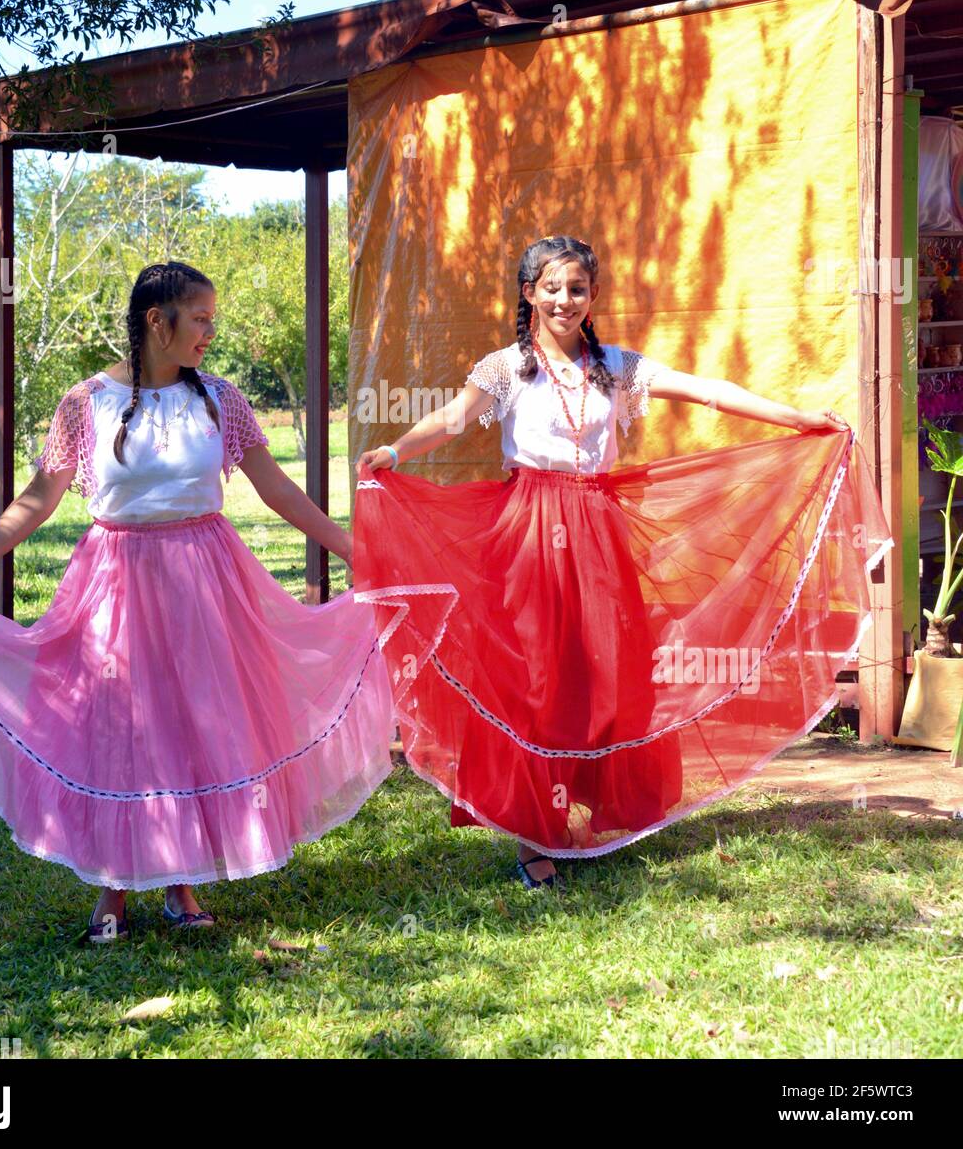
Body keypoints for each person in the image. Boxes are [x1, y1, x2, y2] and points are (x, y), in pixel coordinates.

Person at [352, 235, 892, 889]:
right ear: (528, 295)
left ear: (592, 297)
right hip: (528, 530)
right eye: (550, 287)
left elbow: (708, 393)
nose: (563, 300)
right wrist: (398, 449)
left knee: (609, 676)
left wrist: (802, 420)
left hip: (600, 533)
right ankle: (534, 835)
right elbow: (453, 419)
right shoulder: (505, 367)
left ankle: (593, 810)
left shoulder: (616, 365)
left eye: (576, 288)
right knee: (537, 681)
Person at [0, 260, 394, 942]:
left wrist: (352, 549)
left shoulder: (221, 399)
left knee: (193, 722)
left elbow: (277, 490)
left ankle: (181, 884)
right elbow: (38, 499)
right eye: (200, 319)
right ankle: (114, 887)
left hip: (209, 582)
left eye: (213, 319)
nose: (210, 333)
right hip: (118, 584)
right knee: (123, 728)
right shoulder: (86, 403)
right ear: (156, 322)